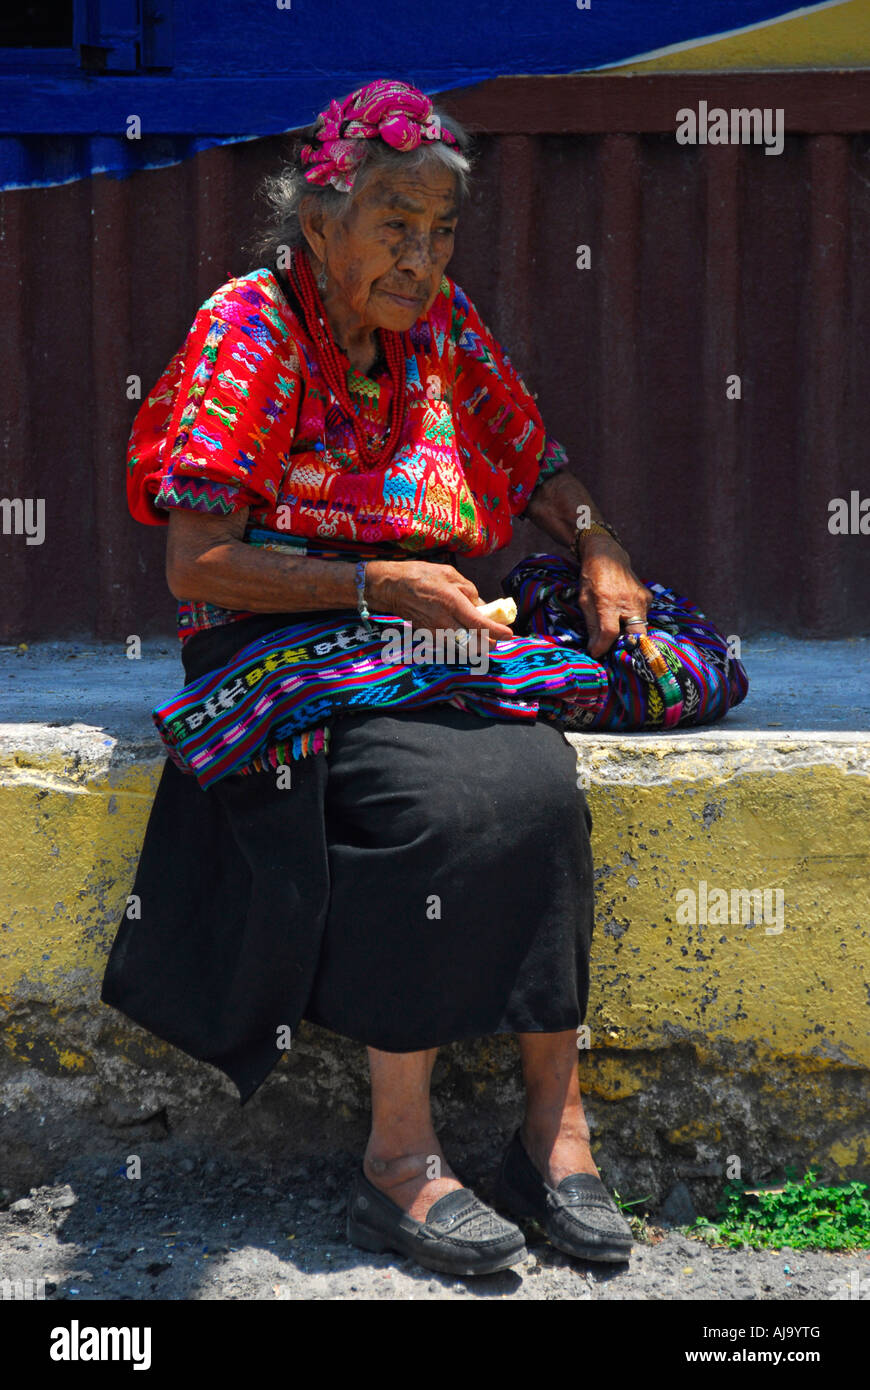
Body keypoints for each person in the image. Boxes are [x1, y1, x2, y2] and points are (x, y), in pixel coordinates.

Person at [102, 77, 662, 1278]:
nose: (422, 257)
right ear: (320, 221)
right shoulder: (249, 329)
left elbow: (533, 454)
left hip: (415, 633)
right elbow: (198, 559)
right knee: (433, 810)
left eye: (442, 229)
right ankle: (397, 1163)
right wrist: (375, 587)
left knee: (543, 788)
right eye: (397, 225)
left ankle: (551, 1135)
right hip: (278, 629)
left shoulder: (441, 327)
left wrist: (601, 540)